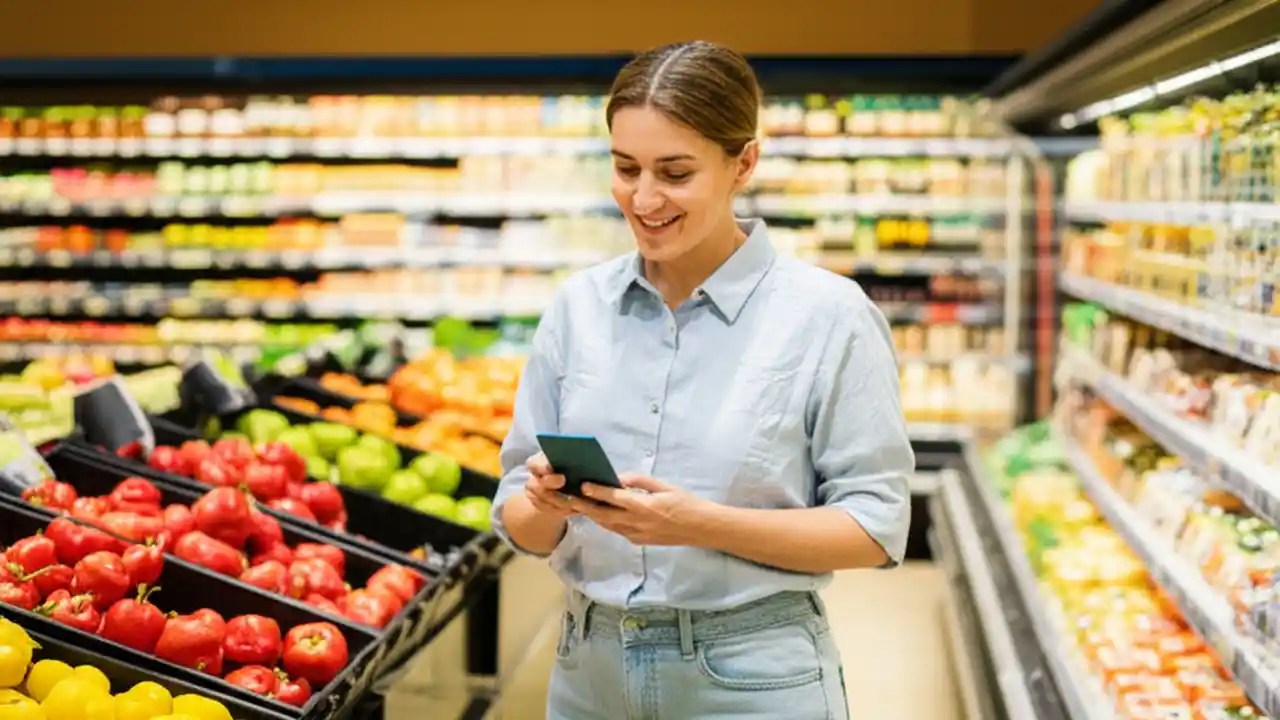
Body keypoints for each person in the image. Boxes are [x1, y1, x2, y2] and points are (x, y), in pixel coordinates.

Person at [490, 40, 914, 719]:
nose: (644, 197)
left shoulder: (828, 317)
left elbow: (876, 527)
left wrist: (701, 525)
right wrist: (544, 502)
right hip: (587, 673)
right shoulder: (578, 309)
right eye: (625, 168)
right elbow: (517, 522)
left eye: (675, 172)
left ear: (743, 162)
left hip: (750, 680)